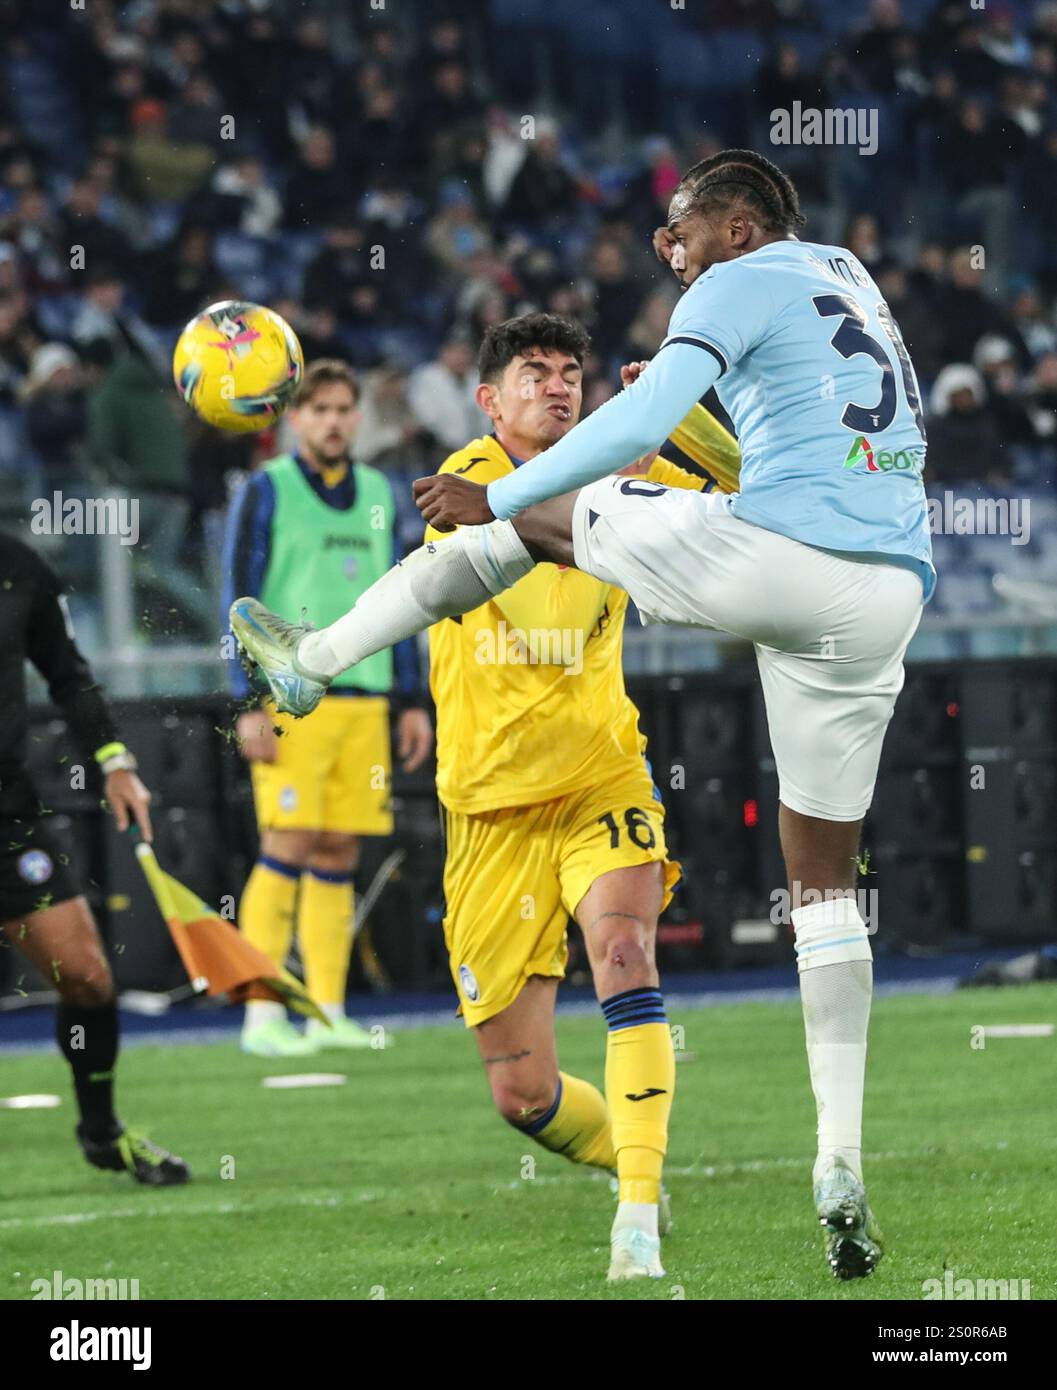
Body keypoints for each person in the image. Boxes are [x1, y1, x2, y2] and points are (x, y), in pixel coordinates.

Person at [230, 148, 935, 1281]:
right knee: (824, 897)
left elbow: (646, 410)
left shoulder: (731, 280)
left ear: (737, 224)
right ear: (489, 395)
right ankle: (836, 1162)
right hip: (889, 588)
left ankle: (311, 661)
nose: (670, 247)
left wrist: (500, 495)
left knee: (550, 510)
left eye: (681, 228)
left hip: (758, 591)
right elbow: (806, 426)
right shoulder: (851, 273)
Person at [414, 310, 737, 1281]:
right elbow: (517, 556)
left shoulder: (618, 462)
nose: (557, 386)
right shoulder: (462, 483)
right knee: (523, 1092)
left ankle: (635, 1215)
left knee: (625, 947)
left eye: (570, 373)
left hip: (600, 776)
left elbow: (744, 484)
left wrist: (685, 417)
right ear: (489, 399)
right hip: (487, 811)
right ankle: (628, 1167)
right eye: (534, 372)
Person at [222, 360, 433, 1058]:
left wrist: (409, 699)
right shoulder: (266, 489)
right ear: (294, 419)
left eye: (345, 408)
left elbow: (400, 595)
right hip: (289, 700)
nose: (335, 421)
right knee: (286, 843)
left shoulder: (379, 489)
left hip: (366, 696)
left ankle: (326, 1011)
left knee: (340, 849)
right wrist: (246, 698)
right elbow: (239, 595)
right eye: (320, 410)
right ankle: (260, 1013)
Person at [0, 536, 188, 1185]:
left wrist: (114, 761)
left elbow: (68, 674)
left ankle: (102, 1132)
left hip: (8, 819)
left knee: (86, 978)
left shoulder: (20, 570)